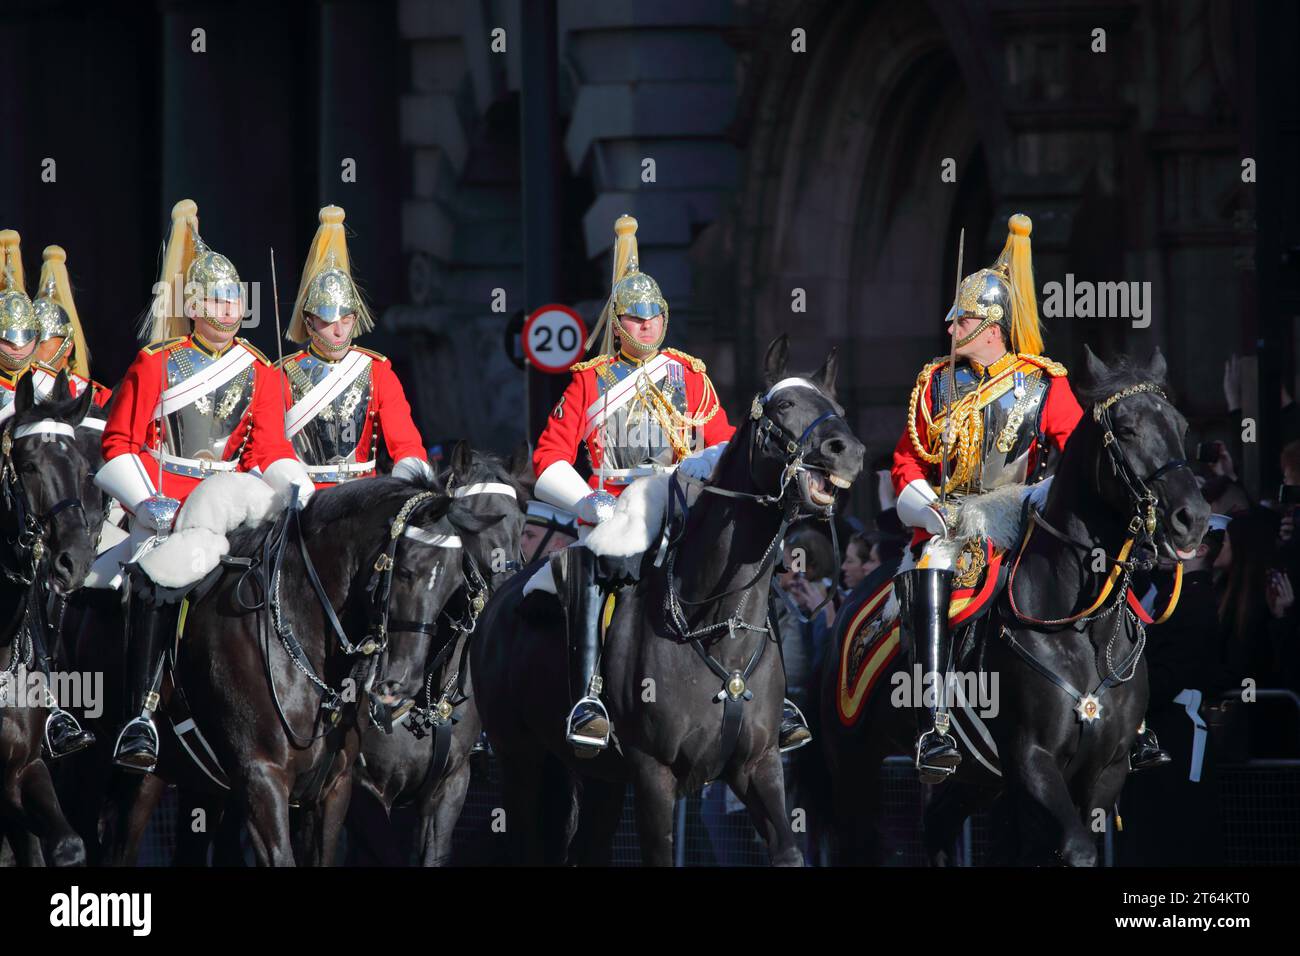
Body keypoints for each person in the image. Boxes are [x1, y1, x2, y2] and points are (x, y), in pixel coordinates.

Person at [531, 214, 780, 753]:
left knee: (751, 568)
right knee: (593, 576)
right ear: (618, 323)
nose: (646, 328)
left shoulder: (690, 375)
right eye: (635, 320)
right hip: (616, 511)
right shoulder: (588, 380)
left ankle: (777, 701)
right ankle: (590, 696)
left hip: (682, 507)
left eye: (654, 319)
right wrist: (589, 502)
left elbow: (721, 444)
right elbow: (549, 456)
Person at [94, 198, 314, 772]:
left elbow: (268, 449)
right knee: (155, 580)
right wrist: (147, 501)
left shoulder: (263, 370)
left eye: (234, 301)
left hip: (233, 503)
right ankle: (139, 715)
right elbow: (118, 443)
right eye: (216, 300)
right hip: (164, 506)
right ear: (191, 306)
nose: (227, 311)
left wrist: (296, 487)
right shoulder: (156, 362)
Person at [889, 214, 1090, 782]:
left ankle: (1133, 721)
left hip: (1025, 514)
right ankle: (934, 721)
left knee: (1096, 569)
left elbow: (1075, 450)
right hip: (952, 521)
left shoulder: (1043, 381)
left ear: (993, 326)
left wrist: (1049, 498)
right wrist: (926, 506)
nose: (952, 330)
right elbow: (908, 459)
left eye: (965, 321)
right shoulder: (936, 382)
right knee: (931, 570)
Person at [0, 230, 96, 758]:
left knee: (51, 588)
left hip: (27, 523)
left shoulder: (45, 392)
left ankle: (53, 704)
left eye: (23, 338)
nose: (16, 348)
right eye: (6, 338)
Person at [278, 206, 430, 489]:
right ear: (309, 321)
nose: (339, 331)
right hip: (303, 495)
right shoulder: (283, 373)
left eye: (346, 320)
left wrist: (411, 481)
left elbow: (405, 442)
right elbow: (271, 446)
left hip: (362, 494)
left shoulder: (377, 371)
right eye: (328, 321)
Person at [28, 245, 113, 407]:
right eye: (27, 341)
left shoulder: (93, 397)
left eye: (42, 341)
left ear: (68, 347)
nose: (31, 349)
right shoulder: (14, 391)